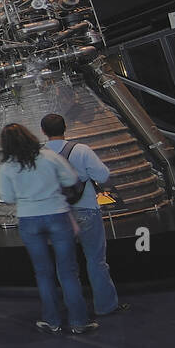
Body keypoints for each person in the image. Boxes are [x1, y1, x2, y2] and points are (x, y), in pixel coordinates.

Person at [0, 123, 97, 334]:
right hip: (58, 215)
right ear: (30, 136)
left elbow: (7, 197)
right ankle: (79, 322)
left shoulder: (7, 167)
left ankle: (53, 321)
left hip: (29, 220)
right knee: (68, 272)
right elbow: (71, 179)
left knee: (43, 273)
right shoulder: (49, 157)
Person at [40, 113, 129, 317]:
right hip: (86, 208)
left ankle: (75, 310)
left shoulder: (39, 156)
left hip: (57, 215)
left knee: (65, 265)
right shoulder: (81, 150)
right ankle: (106, 306)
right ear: (65, 128)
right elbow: (103, 176)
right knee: (96, 260)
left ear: (43, 131)